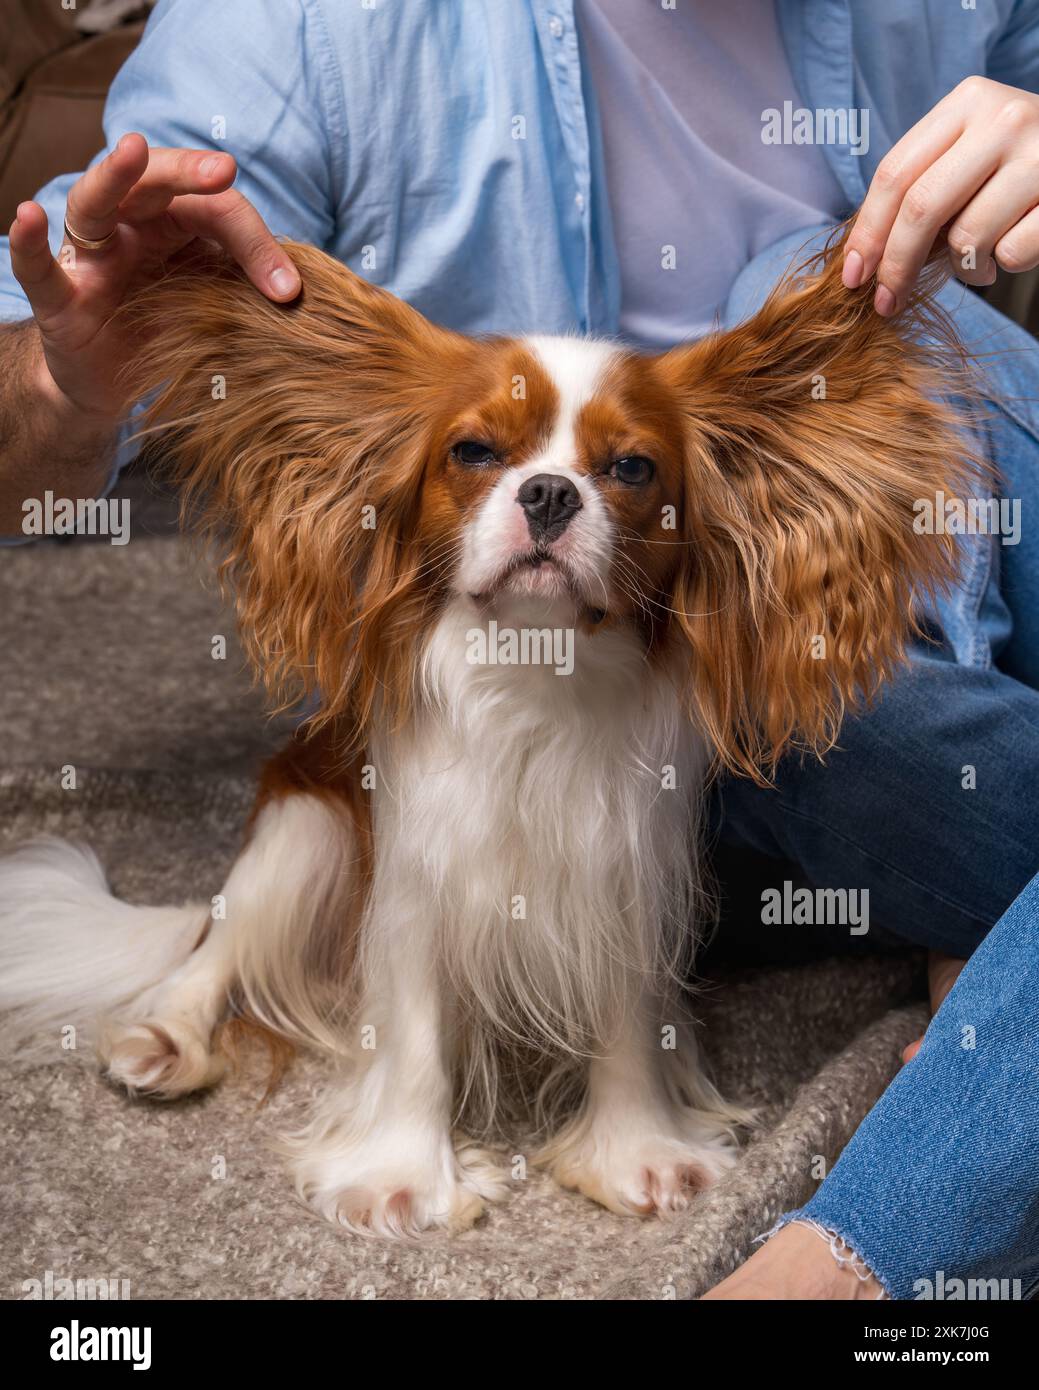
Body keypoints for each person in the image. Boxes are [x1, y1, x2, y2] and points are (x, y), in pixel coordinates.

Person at [2, 0, 1038, 1299]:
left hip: (789, 638)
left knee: (804, 268)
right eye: (487, 454)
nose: (550, 491)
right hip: (760, 731)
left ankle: (964, 942)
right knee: (381, 791)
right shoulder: (299, 27)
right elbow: (36, 380)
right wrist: (65, 378)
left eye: (620, 468)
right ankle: (984, 918)